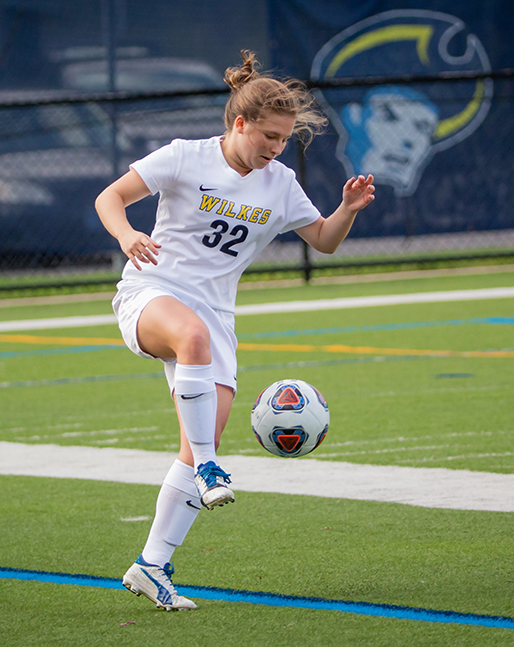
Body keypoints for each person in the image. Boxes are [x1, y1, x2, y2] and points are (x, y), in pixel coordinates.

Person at [94, 50, 375, 611]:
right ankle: (208, 468)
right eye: (269, 136)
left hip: (216, 315)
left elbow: (323, 240)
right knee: (192, 349)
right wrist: (127, 236)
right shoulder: (185, 156)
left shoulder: (280, 183)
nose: (276, 147)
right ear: (239, 123)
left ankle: (152, 565)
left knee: (202, 433)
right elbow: (111, 197)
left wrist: (346, 210)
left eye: (285, 139)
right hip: (151, 291)